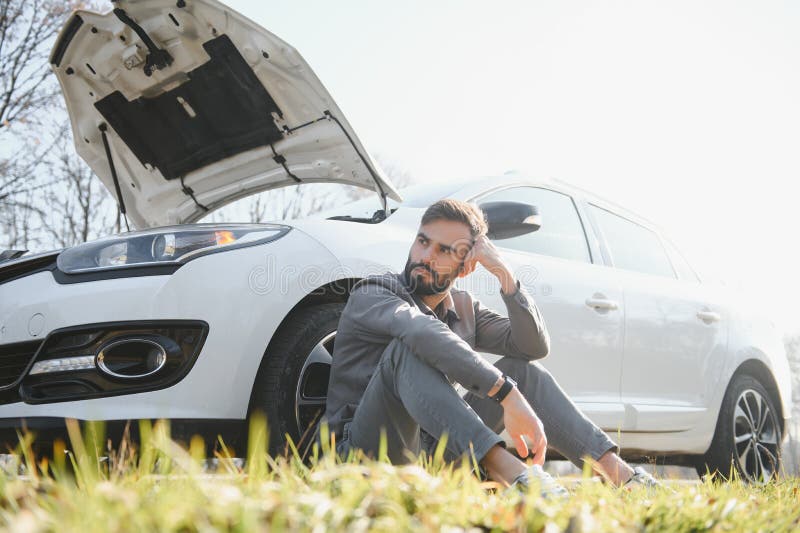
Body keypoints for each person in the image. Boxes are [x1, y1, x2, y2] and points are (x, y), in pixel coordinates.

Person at [322, 198, 658, 495]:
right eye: (423, 242)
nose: (425, 256)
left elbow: (531, 346)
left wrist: (504, 274)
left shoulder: (465, 308)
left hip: (436, 457)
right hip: (364, 456)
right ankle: (515, 477)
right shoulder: (373, 292)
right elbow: (421, 332)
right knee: (407, 349)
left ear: (465, 265)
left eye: (443, 251)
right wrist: (507, 396)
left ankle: (623, 477)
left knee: (523, 372)